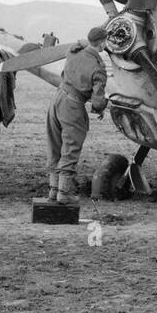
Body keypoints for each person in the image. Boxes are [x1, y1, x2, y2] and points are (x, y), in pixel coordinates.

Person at [46, 26, 109, 204]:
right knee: (71, 148)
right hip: (72, 105)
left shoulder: (73, 52)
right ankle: (64, 193)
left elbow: (78, 44)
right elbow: (97, 102)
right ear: (103, 43)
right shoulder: (98, 69)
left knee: (55, 146)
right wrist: (102, 107)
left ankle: (53, 190)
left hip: (57, 98)